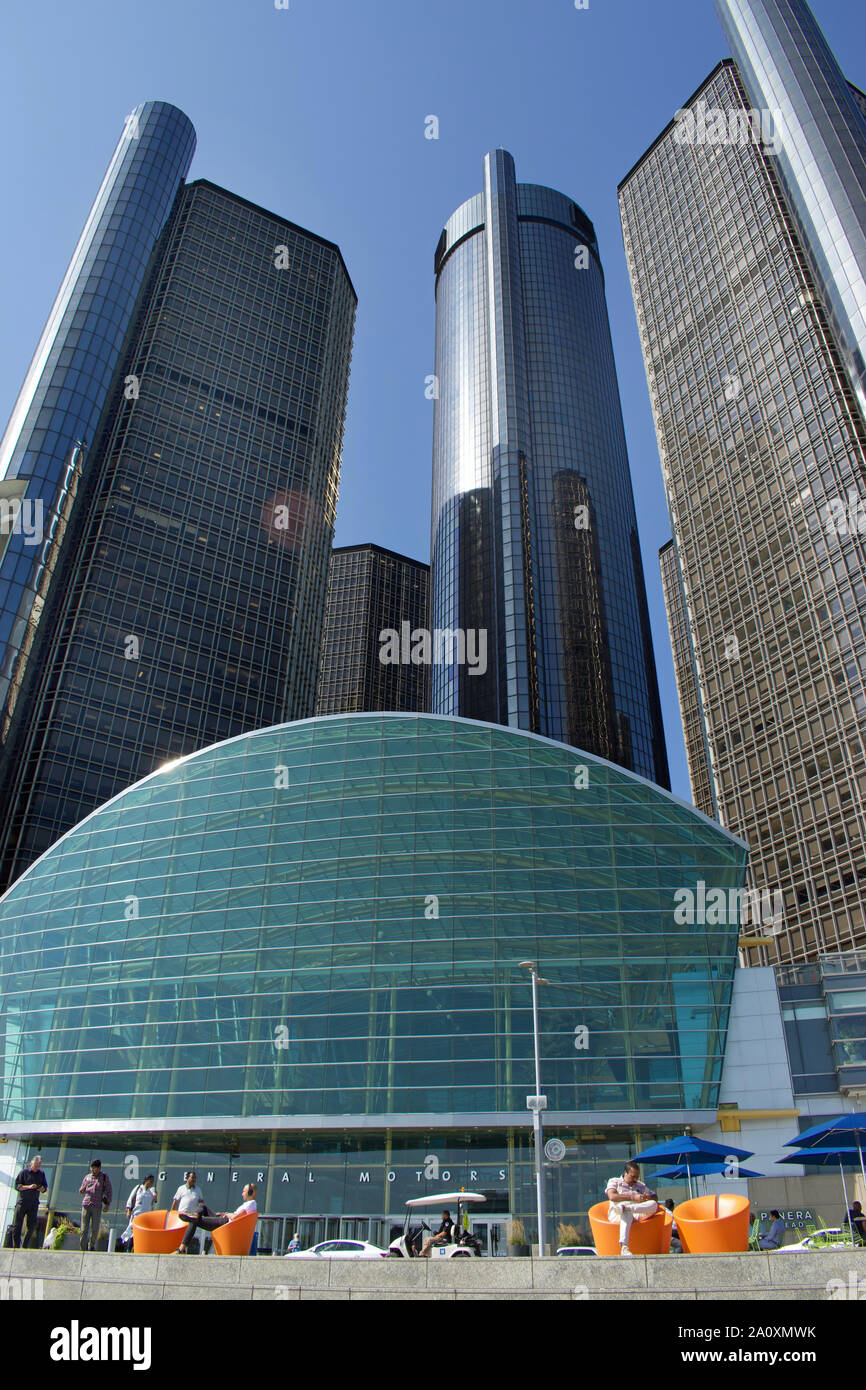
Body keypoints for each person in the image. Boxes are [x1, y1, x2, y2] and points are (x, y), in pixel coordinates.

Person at [176, 1182, 257, 1254]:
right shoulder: (249, 1204)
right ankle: (195, 1215)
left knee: (195, 1220)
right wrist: (223, 1214)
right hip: (225, 1221)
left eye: (244, 1191)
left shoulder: (251, 1203)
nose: (242, 1194)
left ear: (250, 1192)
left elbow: (235, 1217)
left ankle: (182, 1248)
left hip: (226, 1223)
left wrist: (226, 1214)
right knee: (202, 1207)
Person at [605, 1160, 659, 1256]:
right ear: (625, 1173)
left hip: (635, 1211)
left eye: (637, 1177)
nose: (634, 1180)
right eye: (632, 1177)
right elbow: (612, 1196)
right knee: (626, 1213)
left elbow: (655, 1197)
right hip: (617, 1213)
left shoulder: (640, 1185)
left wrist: (646, 1197)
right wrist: (633, 1197)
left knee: (653, 1204)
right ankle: (624, 1246)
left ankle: (627, 1208)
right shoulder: (615, 1181)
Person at [12, 1155, 48, 1249]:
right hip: (23, 1202)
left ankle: (24, 1245)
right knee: (17, 1224)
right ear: (31, 1164)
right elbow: (17, 1186)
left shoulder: (41, 1174)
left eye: (38, 1166)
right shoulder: (24, 1172)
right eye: (35, 1166)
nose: (37, 1168)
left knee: (31, 1225)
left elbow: (45, 1188)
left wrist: (41, 1189)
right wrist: (28, 1187)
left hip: (34, 1203)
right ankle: (16, 1245)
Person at [79, 1159, 113, 1252]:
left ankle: (91, 1245)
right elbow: (81, 1190)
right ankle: (82, 1248)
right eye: (92, 1168)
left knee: (94, 1228)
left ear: (99, 1168)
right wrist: (83, 1188)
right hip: (86, 1204)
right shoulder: (87, 1177)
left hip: (97, 1205)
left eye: (96, 1168)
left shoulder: (104, 1177)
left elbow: (109, 1191)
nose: (94, 1170)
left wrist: (108, 1204)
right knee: (83, 1229)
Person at [120, 1175, 157, 1249]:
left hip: (146, 1216)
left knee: (142, 1233)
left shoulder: (151, 1191)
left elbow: (155, 1201)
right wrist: (128, 1210)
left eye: (152, 1181)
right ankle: (128, 1248)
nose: (151, 1183)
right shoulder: (138, 1188)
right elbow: (131, 1199)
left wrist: (155, 1194)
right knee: (132, 1232)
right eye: (150, 1181)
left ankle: (138, 1248)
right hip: (136, 1214)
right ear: (146, 1180)